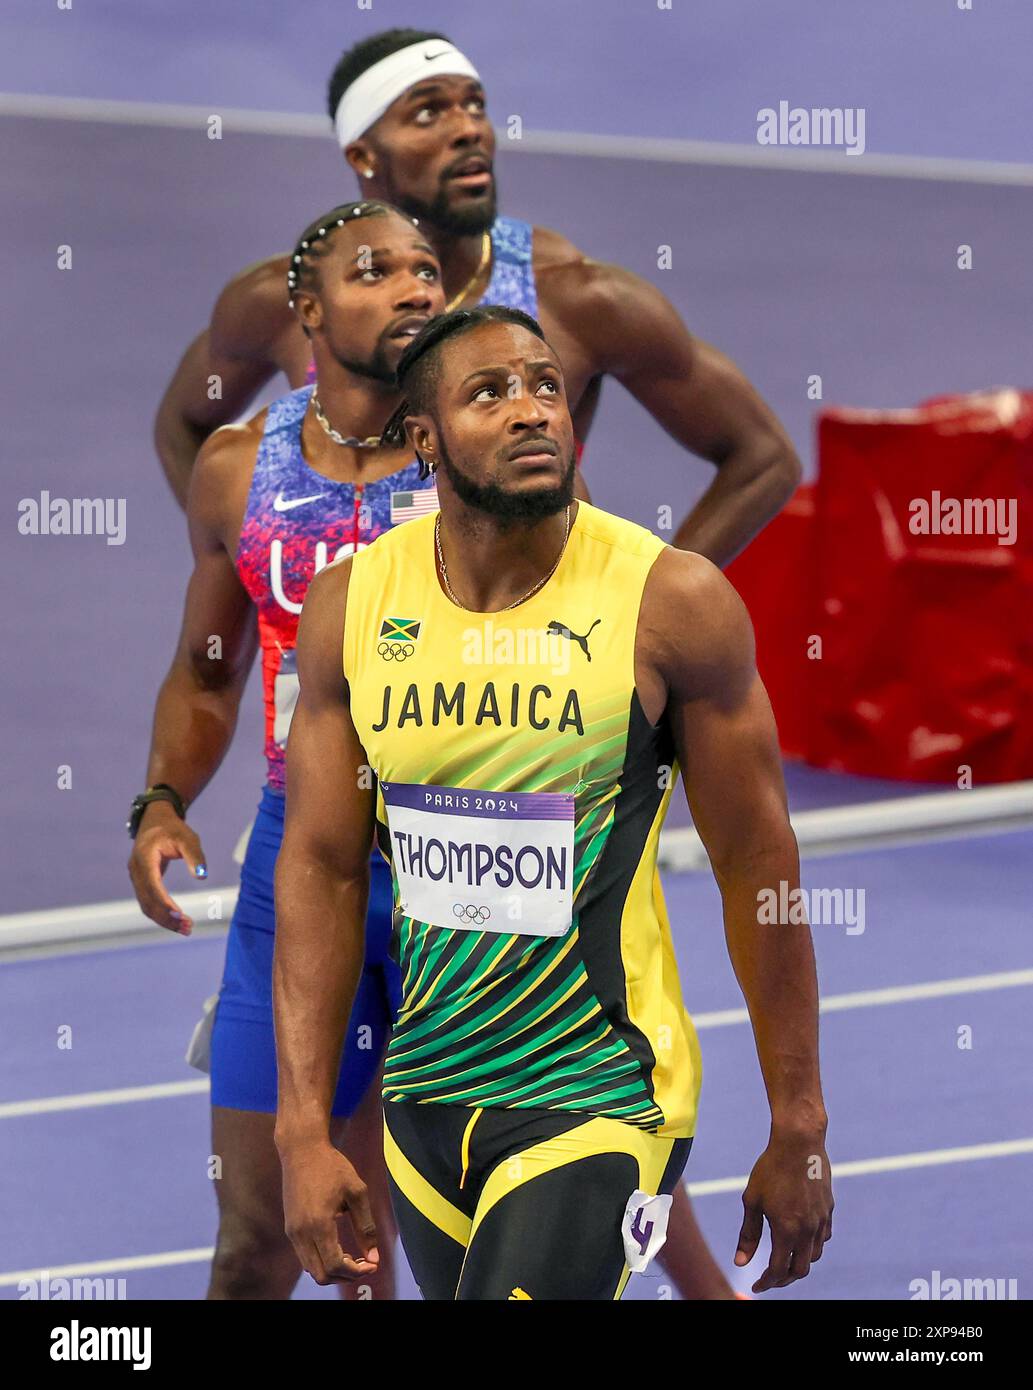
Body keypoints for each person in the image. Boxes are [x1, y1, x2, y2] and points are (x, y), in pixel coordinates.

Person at [272, 306, 833, 1300]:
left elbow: (760, 865)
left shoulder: (672, 602)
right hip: (427, 1094)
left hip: (599, 1092)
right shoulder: (351, 607)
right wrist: (301, 1128)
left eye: (544, 386)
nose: (532, 410)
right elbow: (318, 864)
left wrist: (800, 1122)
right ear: (423, 438)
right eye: (489, 393)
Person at [154, 27, 799, 577]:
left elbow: (761, 458)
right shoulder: (282, 300)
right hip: (335, 680)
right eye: (429, 112)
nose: (469, 129)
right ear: (363, 154)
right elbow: (184, 424)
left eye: (475, 105)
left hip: (510, 682)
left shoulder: (576, 299)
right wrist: (250, 558)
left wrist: (638, 616)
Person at [127, 200, 446, 1299]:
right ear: (306, 310)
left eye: (425, 270)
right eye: (376, 271)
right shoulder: (236, 468)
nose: (414, 287)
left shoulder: (494, 463)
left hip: (467, 868)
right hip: (297, 863)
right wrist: (163, 798)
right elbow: (210, 666)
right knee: (259, 1236)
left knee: (427, 1233)